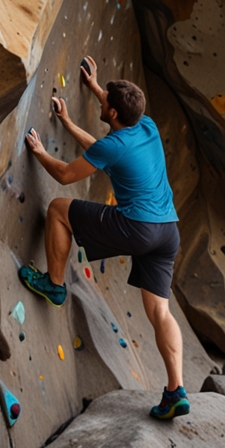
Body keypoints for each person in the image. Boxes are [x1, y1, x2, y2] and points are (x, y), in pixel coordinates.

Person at [21, 55, 189, 420]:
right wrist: (91, 94)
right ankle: (176, 389)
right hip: (167, 232)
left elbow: (67, 174)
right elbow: (103, 151)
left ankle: (53, 284)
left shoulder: (114, 144)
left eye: (103, 103)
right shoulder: (147, 126)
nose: (100, 102)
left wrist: (40, 153)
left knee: (58, 209)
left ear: (112, 114)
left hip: (137, 227)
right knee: (160, 311)